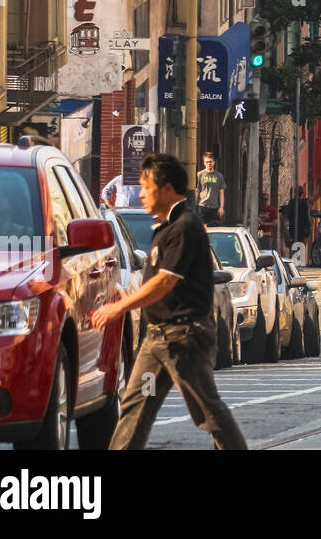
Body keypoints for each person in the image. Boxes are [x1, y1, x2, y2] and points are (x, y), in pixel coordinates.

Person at [91, 152, 247, 450]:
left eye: (146, 186)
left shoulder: (185, 227)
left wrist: (120, 308)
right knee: (137, 407)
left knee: (206, 411)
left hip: (184, 339)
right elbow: (156, 283)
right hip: (156, 342)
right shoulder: (164, 229)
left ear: (166, 189)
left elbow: (166, 281)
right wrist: (126, 296)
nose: (141, 194)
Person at [195, 152, 227, 226]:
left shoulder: (219, 176)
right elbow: (197, 191)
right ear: (204, 163)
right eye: (207, 162)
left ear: (214, 162)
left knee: (214, 228)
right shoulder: (199, 175)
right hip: (202, 206)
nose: (209, 163)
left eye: (210, 162)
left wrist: (221, 207)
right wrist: (194, 205)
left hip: (214, 207)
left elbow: (221, 192)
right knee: (203, 228)